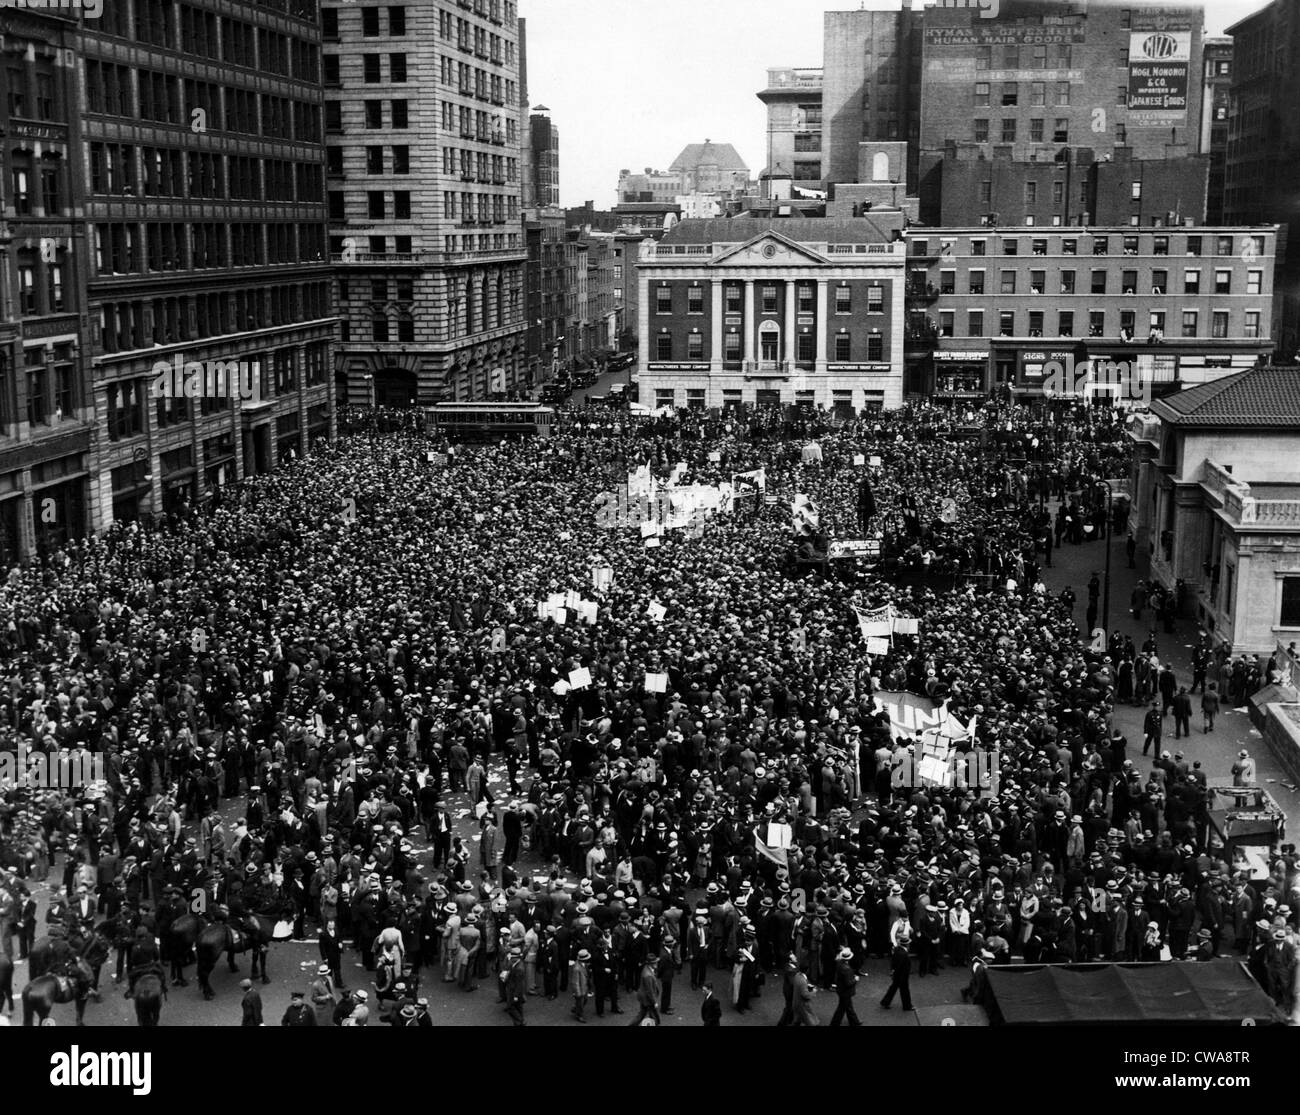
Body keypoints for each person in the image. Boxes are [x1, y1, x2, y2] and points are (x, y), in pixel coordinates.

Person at [829, 946, 861, 1027]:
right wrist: (855, 979)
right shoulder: (846, 968)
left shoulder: (840, 964)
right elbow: (849, 983)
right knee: (843, 1008)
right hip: (845, 991)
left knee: (847, 1007)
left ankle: (854, 1021)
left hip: (841, 989)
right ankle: (836, 1023)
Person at [880, 932, 912, 1011]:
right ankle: (907, 1006)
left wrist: (893, 971)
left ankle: (885, 1002)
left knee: (893, 988)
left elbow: (894, 962)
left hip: (897, 974)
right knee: (904, 990)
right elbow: (900, 965)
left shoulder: (897, 950)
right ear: (907, 944)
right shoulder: (904, 954)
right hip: (902, 975)